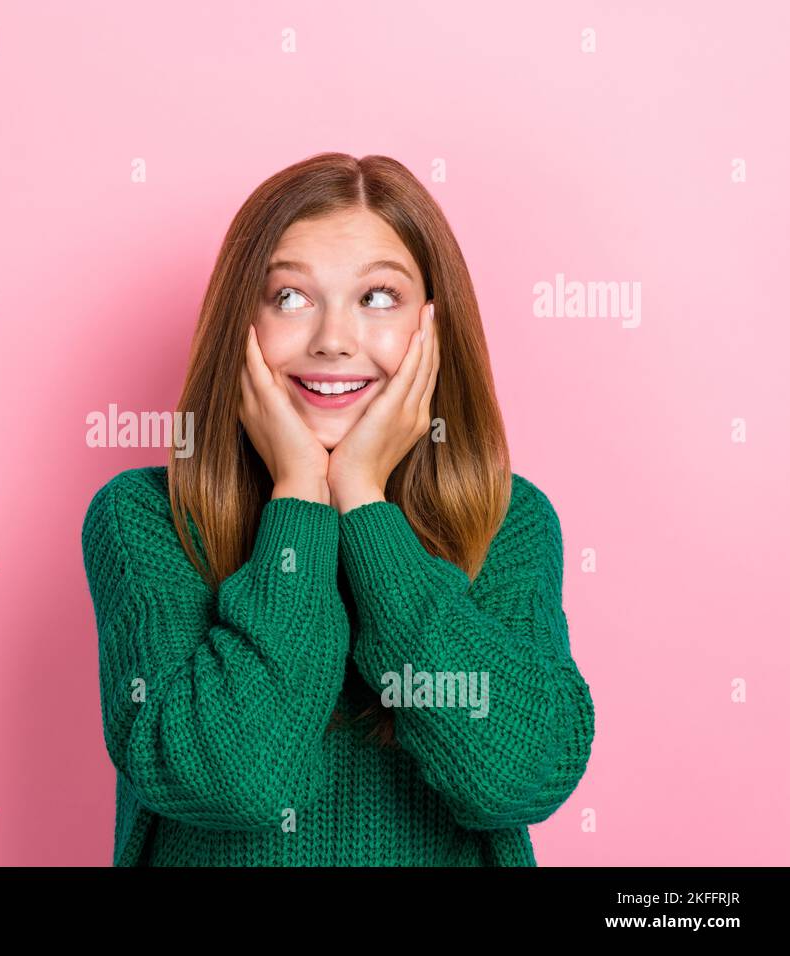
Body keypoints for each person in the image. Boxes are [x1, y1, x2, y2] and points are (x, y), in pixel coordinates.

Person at [81, 152, 595, 866]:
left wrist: (364, 504)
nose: (332, 338)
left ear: (433, 329)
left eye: (378, 297)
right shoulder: (146, 520)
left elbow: (516, 779)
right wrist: (299, 492)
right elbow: (229, 780)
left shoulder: (508, 522)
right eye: (289, 298)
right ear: (242, 325)